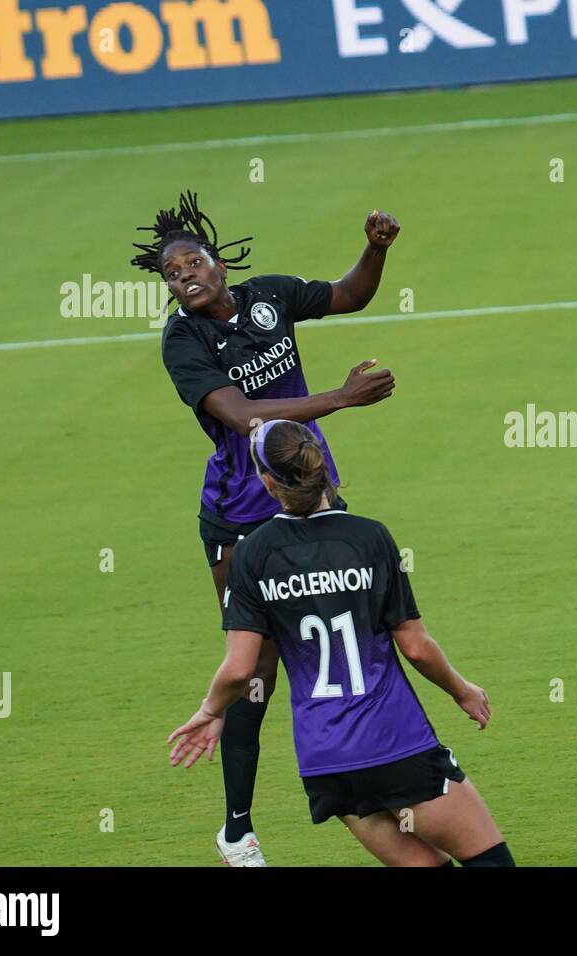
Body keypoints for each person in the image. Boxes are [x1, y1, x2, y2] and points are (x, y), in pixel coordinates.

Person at [133, 191, 399, 864]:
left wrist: (375, 249)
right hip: (241, 520)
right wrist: (337, 399)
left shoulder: (269, 299)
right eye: (172, 274)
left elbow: (349, 296)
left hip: (312, 493)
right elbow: (242, 413)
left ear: (220, 264)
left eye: (193, 262)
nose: (184, 276)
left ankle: (402, 762)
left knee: (364, 626)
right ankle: (237, 828)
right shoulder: (183, 340)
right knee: (255, 670)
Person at [168, 420, 513, 867]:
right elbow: (416, 647)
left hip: (327, 762)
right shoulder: (368, 538)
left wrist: (211, 711)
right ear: (322, 465)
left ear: (268, 482)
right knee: (491, 861)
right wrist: (462, 691)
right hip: (395, 742)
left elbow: (240, 669)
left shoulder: (253, 554)